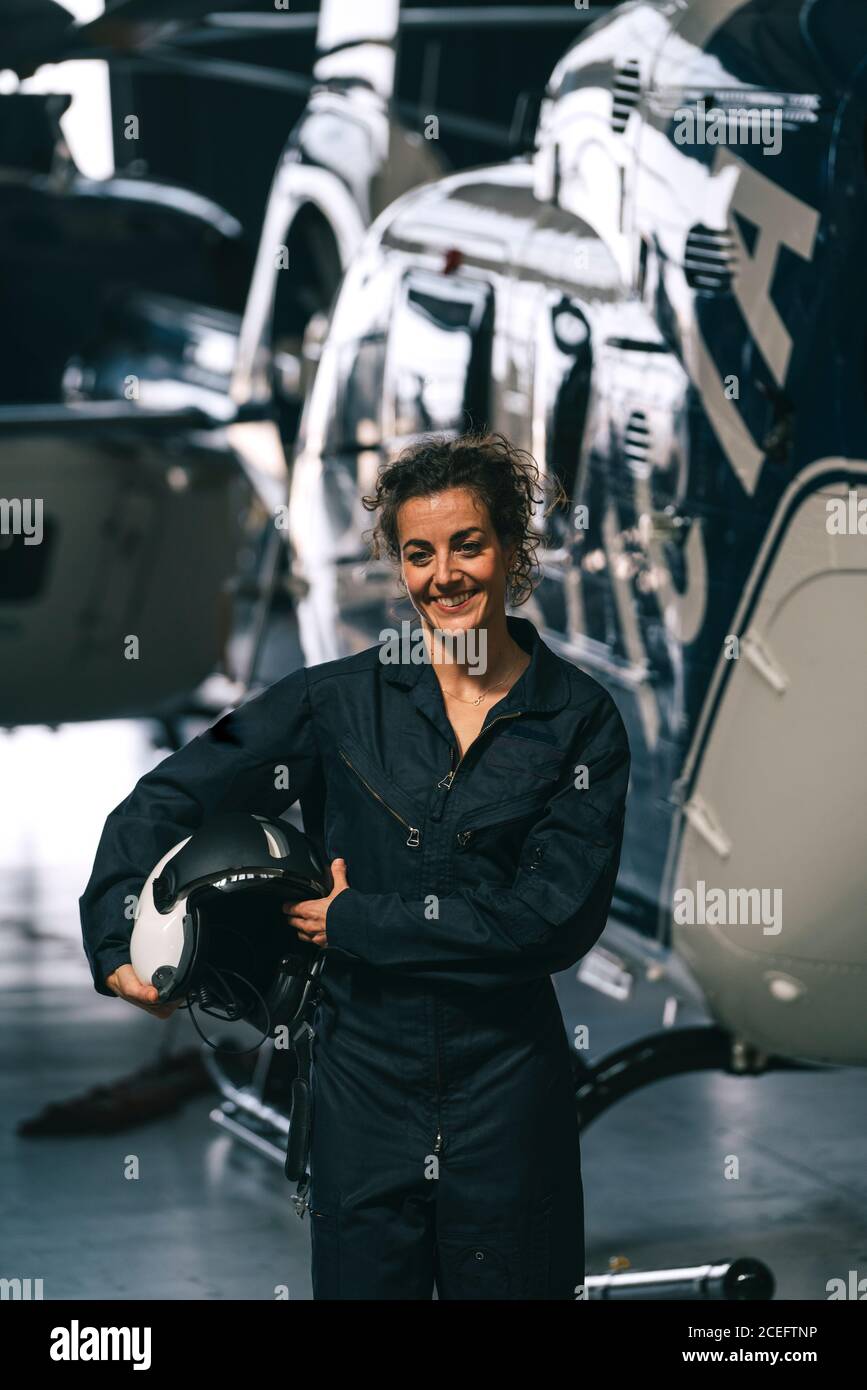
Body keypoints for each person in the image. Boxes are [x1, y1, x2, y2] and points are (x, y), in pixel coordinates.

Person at [80, 430, 631, 1300]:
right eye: (419, 553)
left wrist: (354, 922)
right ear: (398, 565)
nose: (443, 574)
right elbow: (166, 799)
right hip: (359, 1088)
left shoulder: (576, 720)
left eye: (468, 545)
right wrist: (116, 941)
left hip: (506, 1092)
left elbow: (552, 921)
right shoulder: (333, 702)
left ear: (514, 551)